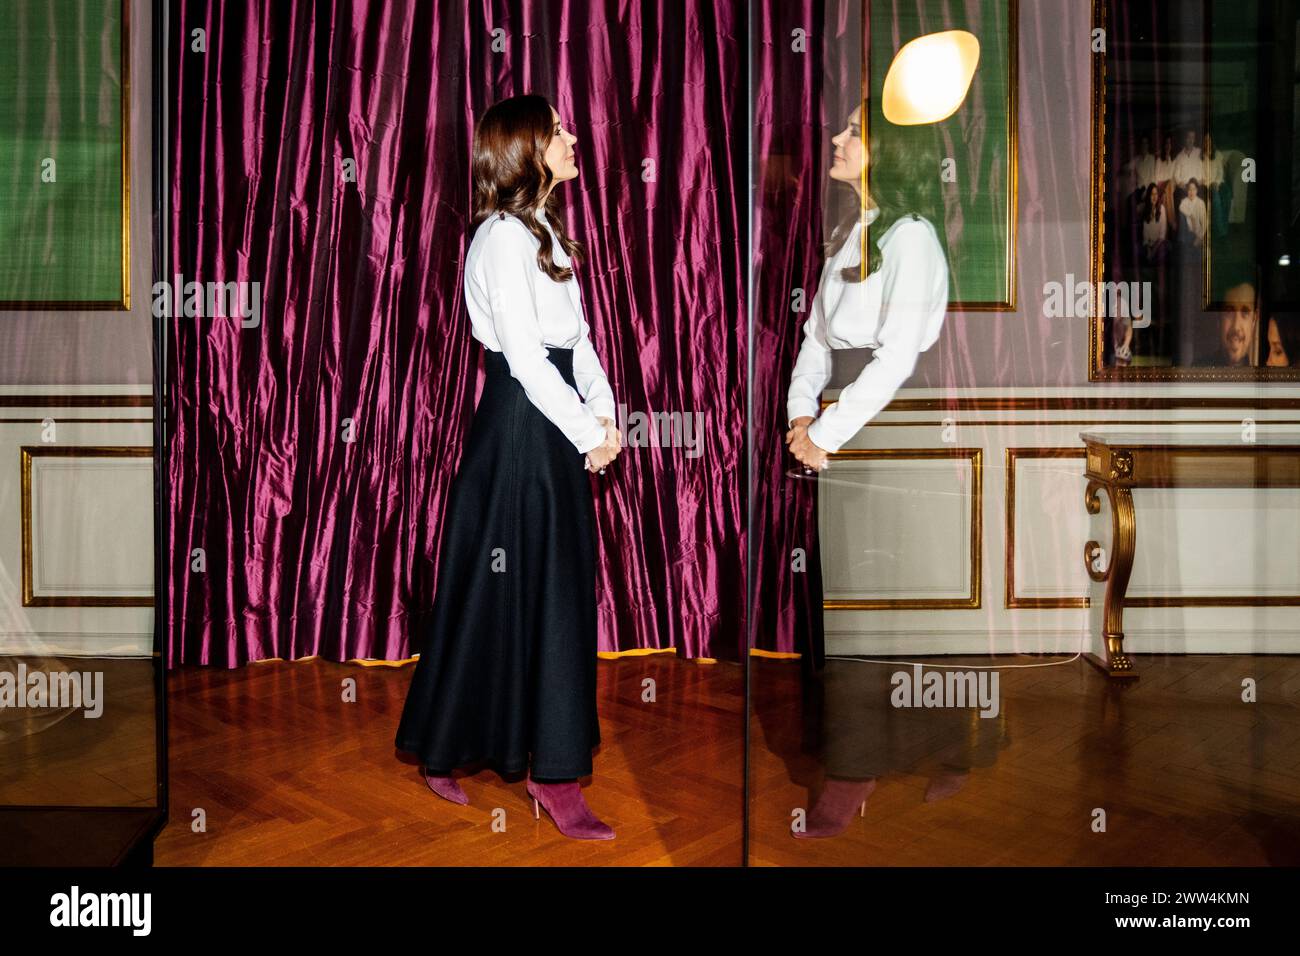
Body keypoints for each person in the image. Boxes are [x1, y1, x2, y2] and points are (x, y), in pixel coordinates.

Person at [394, 93, 623, 840]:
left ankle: (536, 763)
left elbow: (578, 341)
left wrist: (605, 412)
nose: (572, 135)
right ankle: (535, 772)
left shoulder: (546, 230)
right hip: (520, 427)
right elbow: (525, 358)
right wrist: (586, 427)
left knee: (549, 591)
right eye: (558, 129)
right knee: (508, 595)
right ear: (525, 148)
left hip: (550, 422)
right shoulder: (498, 238)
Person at [785, 106, 995, 839]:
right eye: (838, 130)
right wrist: (800, 415)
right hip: (842, 428)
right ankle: (865, 754)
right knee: (850, 605)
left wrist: (832, 432)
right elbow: (814, 337)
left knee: (895, 608)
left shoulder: (914, 239)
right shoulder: (849, 231)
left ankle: (895, 760)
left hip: (890, 428)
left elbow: (899, 355)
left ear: (889, 150)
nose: (837, 141)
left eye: (852, 132)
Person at [1194, 281, 1259, 366]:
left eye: (1245, 313)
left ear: (1254, 320)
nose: (1236, 327)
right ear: (1218, 317)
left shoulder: (1262, 376)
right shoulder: (1197, 371)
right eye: (1229, 312)